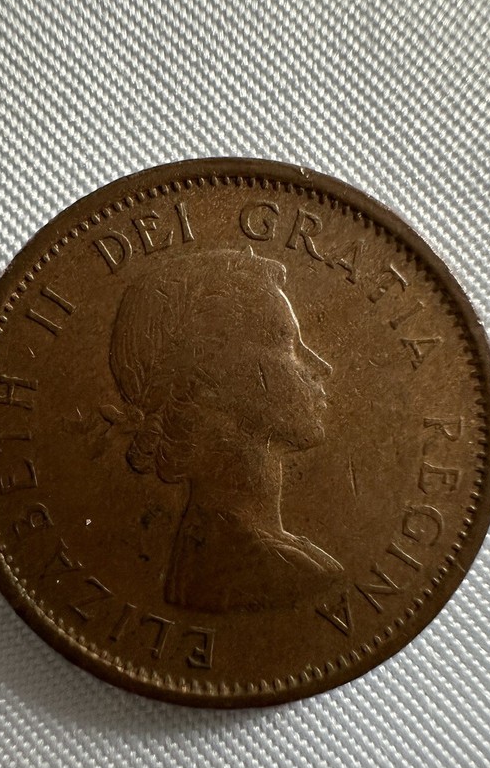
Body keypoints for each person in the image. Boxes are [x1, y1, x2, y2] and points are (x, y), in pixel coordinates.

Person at [103, 246, 344, 612]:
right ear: (211, 376)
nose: (319, 366)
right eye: (285, 343)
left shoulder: (250, 549)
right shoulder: (256, 569)